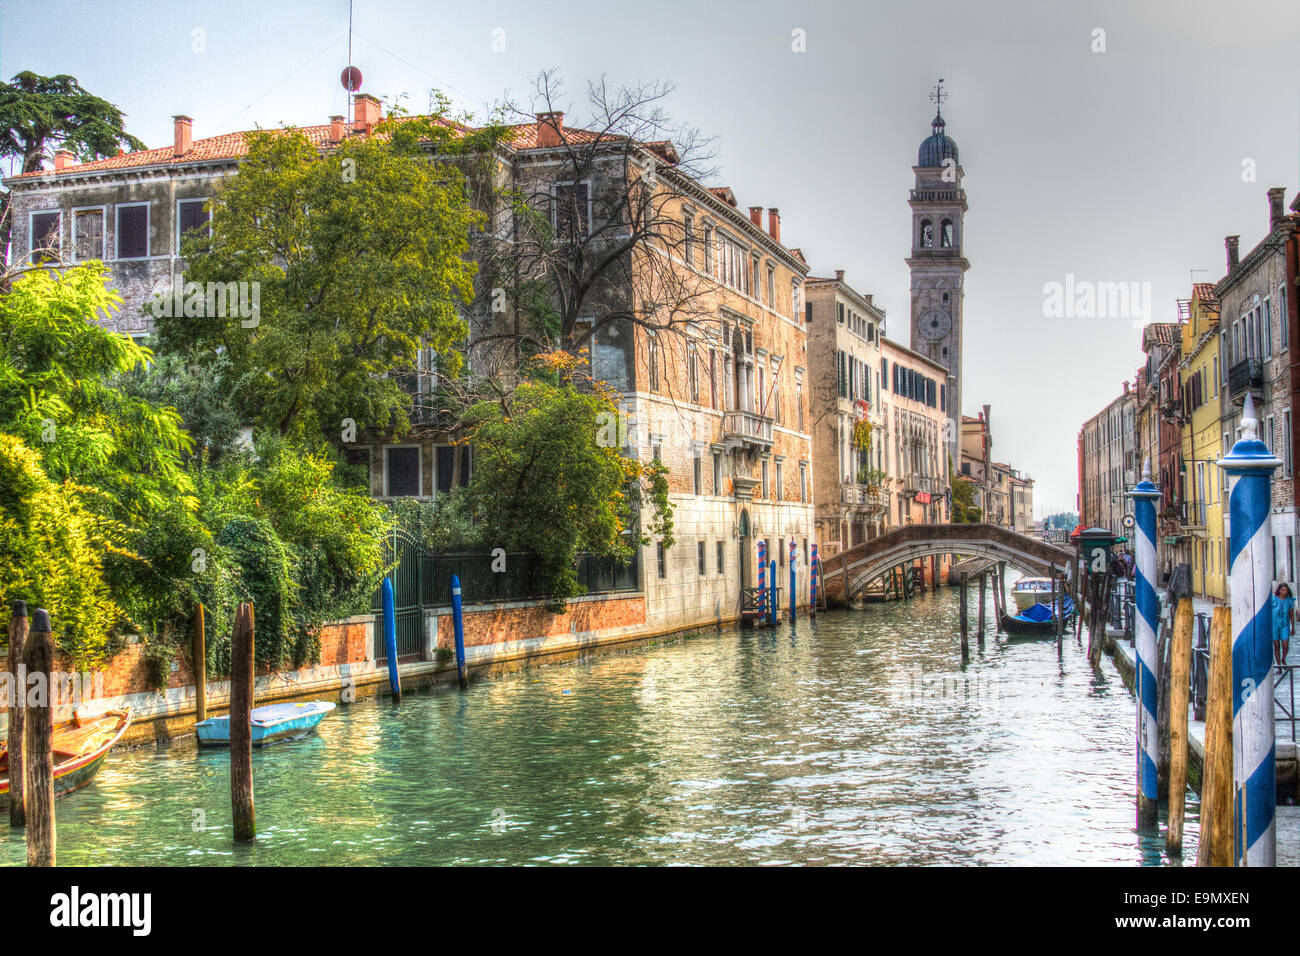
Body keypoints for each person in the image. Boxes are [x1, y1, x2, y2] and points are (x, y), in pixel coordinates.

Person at [1272, 583, 1295, 666]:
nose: (1284, 592)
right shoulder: (1273, 599)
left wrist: (1293, 627)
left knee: (1285, 645)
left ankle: (1283, 659)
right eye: (1282, 590)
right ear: (1279, 590)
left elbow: (1291, 615)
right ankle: (1279, 666)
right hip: (1274, 626)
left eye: (1286, 590)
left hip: (1285, 625)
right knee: (1276, 646)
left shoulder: (1289, 601)